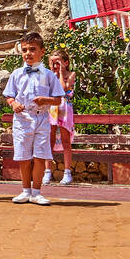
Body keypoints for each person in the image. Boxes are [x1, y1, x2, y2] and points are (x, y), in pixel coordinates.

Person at [4, 32, 64, 205]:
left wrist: (45, 100)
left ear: (42, 51)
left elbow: (58, 99)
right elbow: (9, 95)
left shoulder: (49, 75)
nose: (28, 53)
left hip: (42, 118)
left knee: (39, 155)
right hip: (23, 119)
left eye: (32, 49)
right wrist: (14, 104)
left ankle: (37, 192)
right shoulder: (16, 74)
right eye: (24, 50)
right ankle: (25, 191)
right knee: (23, 156)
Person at [44, 48, 77, 186]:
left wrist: (61, 72)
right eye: (53, 63)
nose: (55, 66)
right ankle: (47, 171)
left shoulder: (70, 74)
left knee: (65, 140)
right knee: (49, 140)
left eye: (58, 63)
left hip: (64, 108)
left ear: (65, 62)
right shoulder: (49, 76)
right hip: (52, 108)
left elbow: (63, 89)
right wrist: (52, 72)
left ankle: (67, 172)